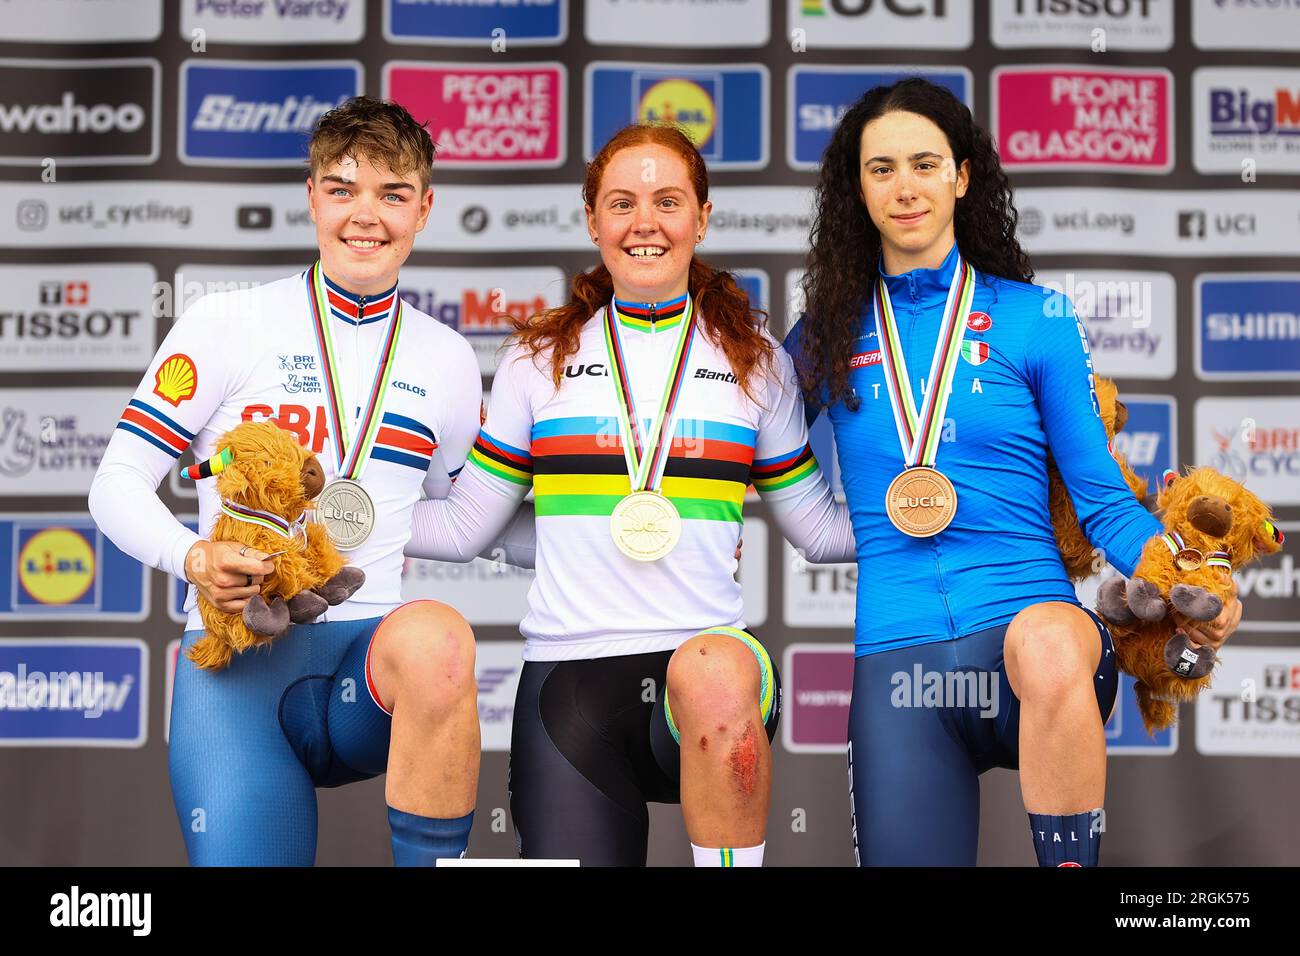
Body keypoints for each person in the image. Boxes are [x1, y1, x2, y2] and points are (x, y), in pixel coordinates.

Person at [784, 78, 1242, 867]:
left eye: (924, 164)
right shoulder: (825, 330)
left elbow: (1103, 504)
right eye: (881, 168)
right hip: (899, 664)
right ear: (856, 188)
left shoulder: (1038, 317)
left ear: (962, 176)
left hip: (1033, 641)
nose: (904, 187)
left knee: (1047, 640)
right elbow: (739, 444)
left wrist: (1192, 578)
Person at [406, 124, 855, 866]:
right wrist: (323, 517)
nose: (644, 222)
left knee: (711, 675)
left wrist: (952, 512)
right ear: (593, 221)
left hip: (706, 677)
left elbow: (818, 530)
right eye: (622, 202)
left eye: (667, 200)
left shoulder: (758, 362)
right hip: (569, 687)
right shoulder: (537, 358)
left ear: (701, 218)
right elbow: (463, 530)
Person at [88, 96, 520, 866]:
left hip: (368, 668)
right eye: (343, 188)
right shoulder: (227, 324)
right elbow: (117, 481)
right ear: (313, 196)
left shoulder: (447, 356)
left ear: (425, 208)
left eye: (392, 194)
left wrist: (613, 538)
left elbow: (463, 522)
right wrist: (193, 558)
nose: (366, 216)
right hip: (240, 674)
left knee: (441, 639)